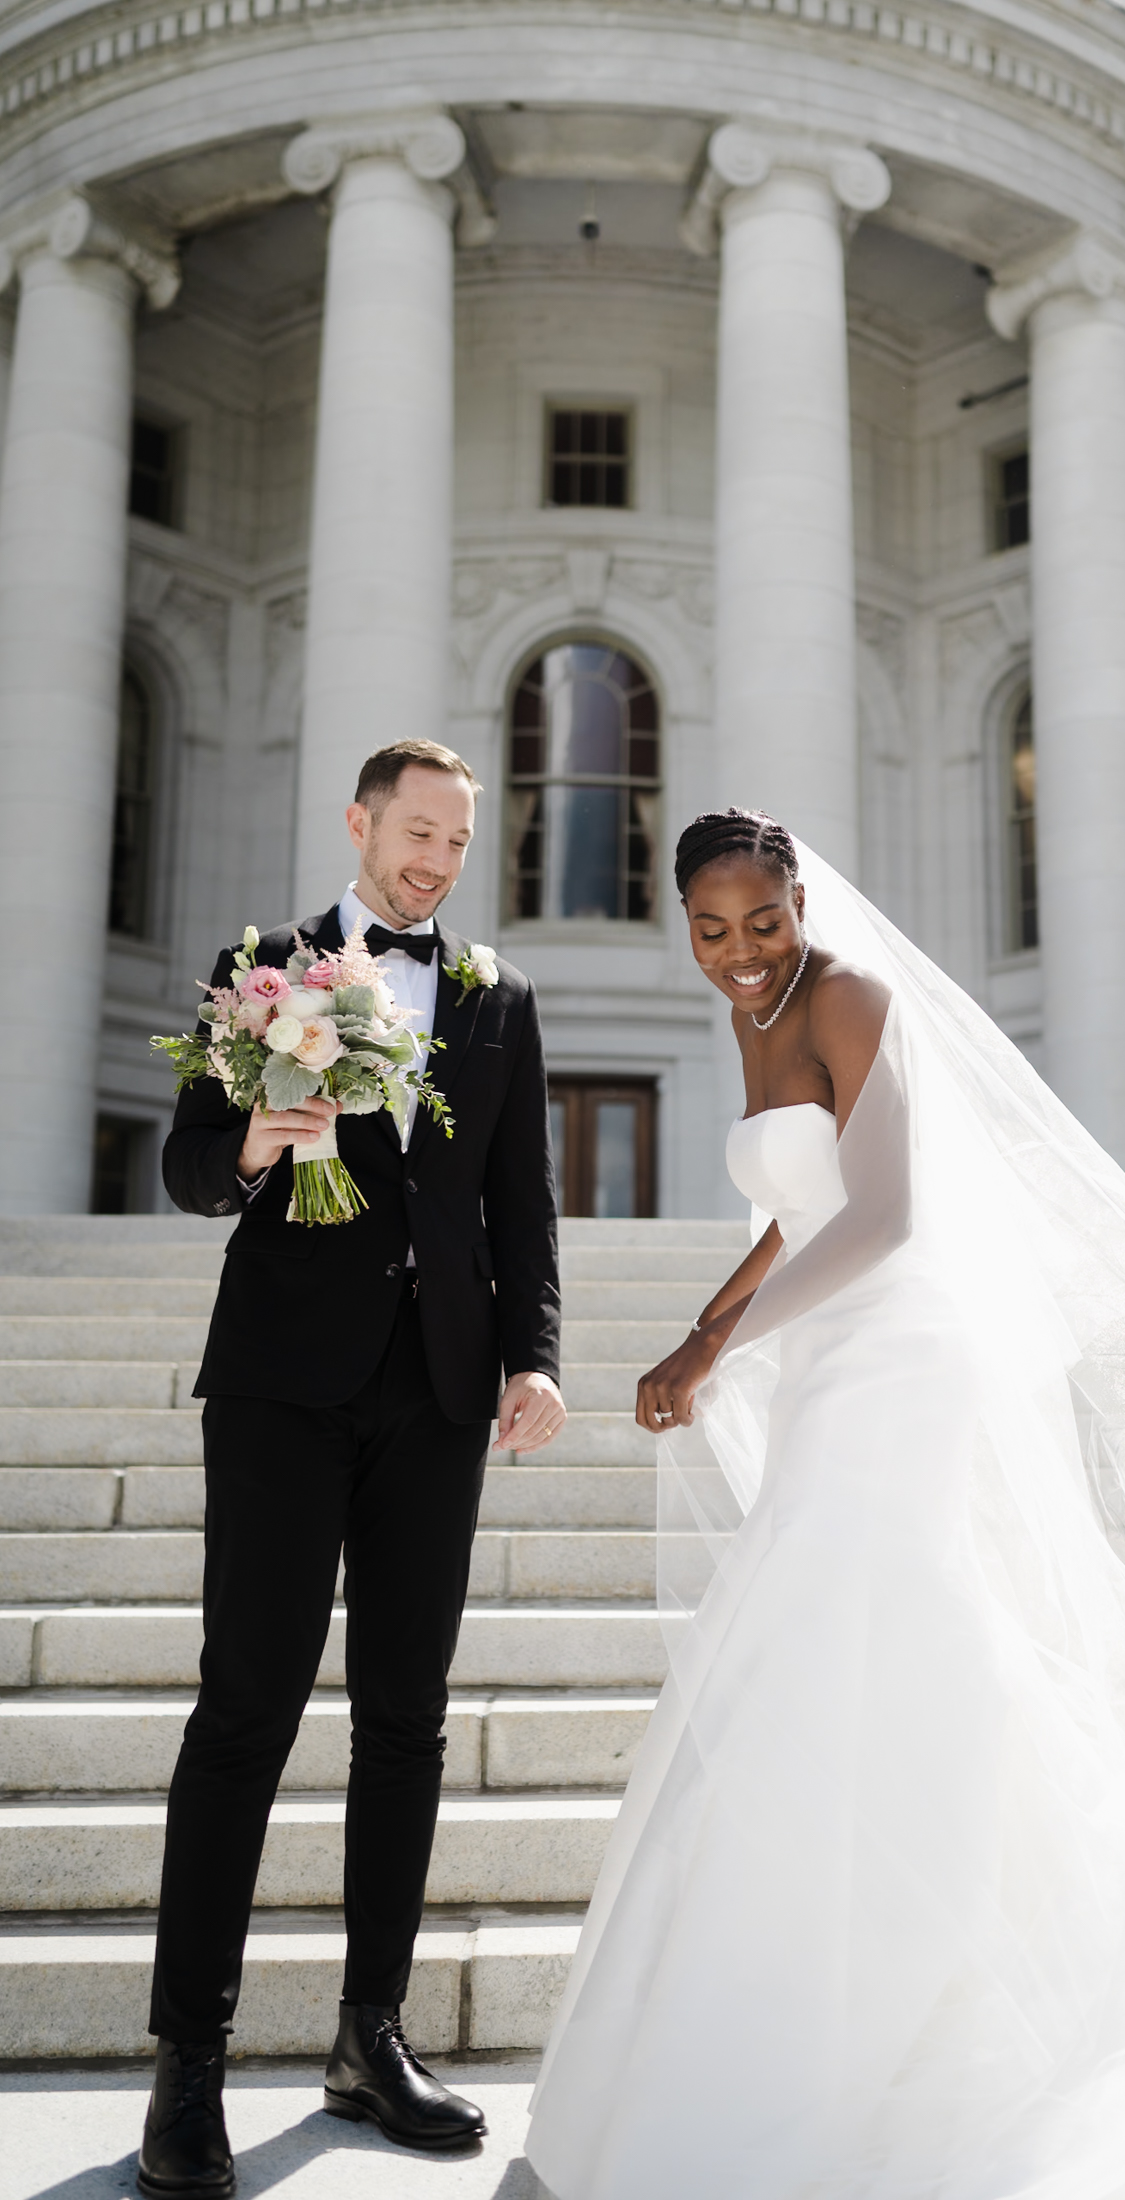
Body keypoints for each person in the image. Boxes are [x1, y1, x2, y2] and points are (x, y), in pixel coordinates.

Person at [525, 807, 1125, 2199]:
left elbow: (881, 1214)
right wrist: (705, 1323)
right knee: (813, 1647)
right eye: (710, 932)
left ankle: (1010, 1977)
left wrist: (719, 1345)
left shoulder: (849, 994)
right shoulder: (752, 1018)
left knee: (883, 1620)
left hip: (910, 1352)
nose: (739, 954)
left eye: (762, 921)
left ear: (799, 900)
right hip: (829, 1348)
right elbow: (795, 1207)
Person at [139, 740, 565, 2199]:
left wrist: (535, 1357)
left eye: (458, 840)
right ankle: (186, 2065)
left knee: (406, 1721)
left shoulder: (500, 996)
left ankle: (365, 2039)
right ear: (361, 823)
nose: (438, 861)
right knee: (245, 1711)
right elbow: (187, 1167)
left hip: (438, 1392)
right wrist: (254, 1140)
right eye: (417, 833)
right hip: (278, 1386)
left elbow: (524, 1201)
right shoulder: (264, 961)